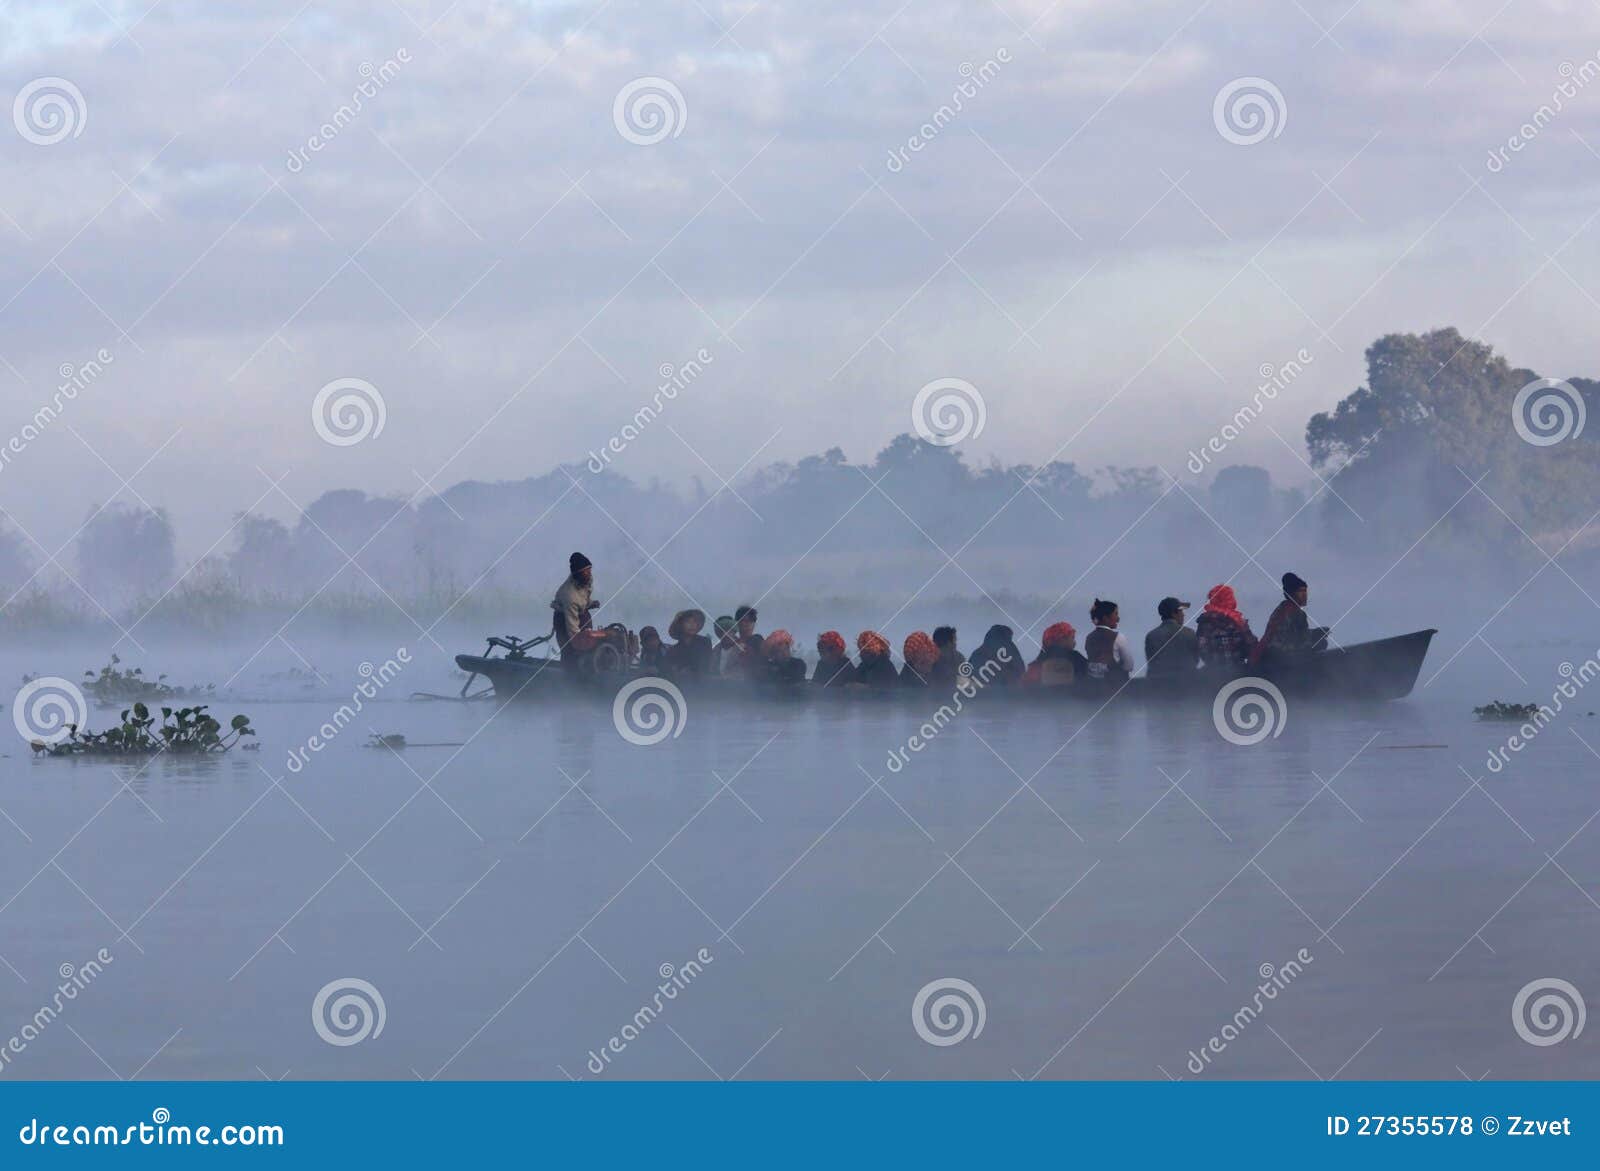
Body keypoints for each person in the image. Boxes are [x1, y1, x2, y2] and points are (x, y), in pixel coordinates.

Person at [1252, 573, 1329, 665]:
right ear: (1292, 593)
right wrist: (1310, 643)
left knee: (1320, 642)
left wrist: (1316, 633)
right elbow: (1284, 640)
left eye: (1305, 591)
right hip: (1277, 657)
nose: (1304, 594)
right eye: (1300, 591)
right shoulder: (1290, 612)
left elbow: (1298, 633)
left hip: (1276, 653)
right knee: (1320, 644)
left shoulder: (1289, 610)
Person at [551, 551, 604, 667]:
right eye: (586, 572)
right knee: (570, 651)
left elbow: (584, 594)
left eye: (589, 570)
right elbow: (573, 631)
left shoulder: (587, 579)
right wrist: (581, 641)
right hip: (564, 619)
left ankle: (588, 666)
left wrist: (589, 603)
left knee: (589, 645)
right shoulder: (569, 596)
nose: (589, 574)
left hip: (580, 613)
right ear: (578, 575)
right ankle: (569, 677)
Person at [1196, 584, 1257, 667]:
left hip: (1212, 673)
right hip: (1239, 672)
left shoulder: (1205, 622)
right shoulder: (1238, 621)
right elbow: (1252, 647)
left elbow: (1202, 649)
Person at [1144, 597, 1199, 677]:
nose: (1183, 614)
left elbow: (1151, 663)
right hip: (1186, 682)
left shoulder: (1151, 636)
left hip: (1159, 683)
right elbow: (1195, 660)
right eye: (1181, 611)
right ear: (1174, 614)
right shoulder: (1189, 633)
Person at [1084, 599, 1135, 684]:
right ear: (1106, 618)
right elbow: (1129, 665)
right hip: (1115, 685)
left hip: (1093, 686)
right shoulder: (1119, 637)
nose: (1118, 619)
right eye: (1116, 614)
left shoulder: (1089, 637)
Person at [1022, 621, 1085, 687]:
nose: (1074, 642)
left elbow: (1026, 685)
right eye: (1072, 637)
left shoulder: (1038, 663)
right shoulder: (1076, 658)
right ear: (1062, 639)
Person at [663, 609, 713, 676]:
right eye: (688, 622)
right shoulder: (673, 650)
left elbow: (707, 666)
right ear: (680, 625)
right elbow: (669, 671)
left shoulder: (705, 642)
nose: (692, 625)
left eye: (694, 621)